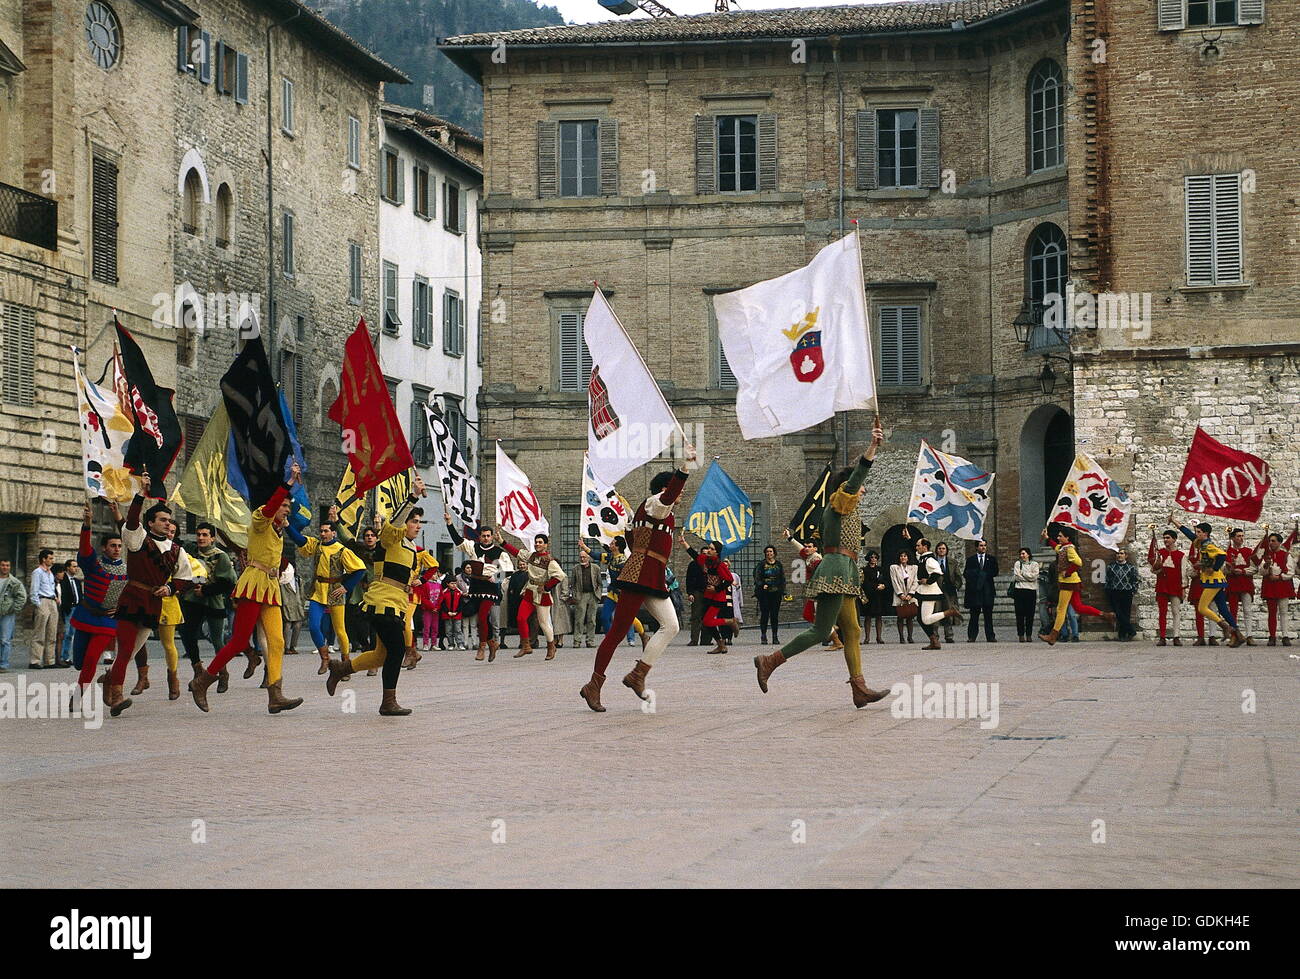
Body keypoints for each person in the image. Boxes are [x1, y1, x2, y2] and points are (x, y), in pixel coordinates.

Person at [754, 423, 890, 709]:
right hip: (836, 570)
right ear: (845, 485)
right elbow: (855, 480)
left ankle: (859, 688)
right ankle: (770, 662)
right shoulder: (840, 501)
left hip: (845, 570)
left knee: (852, 630)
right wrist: (872, 448)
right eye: (857, 484)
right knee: (820, 631)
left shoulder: (846, 506)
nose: (862, 488)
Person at [580, 444, 696, 712]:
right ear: (665, 487)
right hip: (639, 574)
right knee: (618, 631)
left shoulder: (658, 512)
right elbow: (668, 498)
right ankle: (593, 685)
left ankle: (638, 674)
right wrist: (686, 466)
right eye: (676, 490)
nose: (680, 495)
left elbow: (632, 538)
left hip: (652, 575)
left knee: (672, 626)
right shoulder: (656, 504)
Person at [191, 464, 303, 713]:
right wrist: (287, 483)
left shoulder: (278, 529)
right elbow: (271, 508)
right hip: (254, 583)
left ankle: (275, 694)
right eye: (285, 506)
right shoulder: (260, 519)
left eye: (289, 507)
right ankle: (203, 681)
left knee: (276, 641)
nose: (287, 510)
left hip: (271, 587)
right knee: (240, 639)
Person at [325, 475, 429, 715]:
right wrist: (412, 496)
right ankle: (387, 702)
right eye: (414, 521)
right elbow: (393, 525)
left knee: (382, 655)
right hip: (382, 601)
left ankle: (341, 669)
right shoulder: (391, 538)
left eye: (419, 522)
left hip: (398, 603)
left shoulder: (412, 548)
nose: (417, 525)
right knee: (397, 650)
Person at [109, 481, 198, 713]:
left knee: (131, 653)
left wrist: (170, 589)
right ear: (150, 523)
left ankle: (109, 681)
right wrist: (140, 494)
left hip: (153, 604)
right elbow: (130, 521)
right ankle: (117, 695)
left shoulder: (177, 550)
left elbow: (186, 578)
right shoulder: (138, 538)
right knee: (126, 649)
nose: (167, 523)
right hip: (133, 597)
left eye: (169, 520)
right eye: (162, 519)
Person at [69, 501, 128, 707]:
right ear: (104, 547)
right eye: (113, 545)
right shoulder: (94, 564)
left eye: (119, 546)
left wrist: (121, 610)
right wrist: (87, 524)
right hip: (86, 615)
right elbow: (84, 549)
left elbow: (132, 593)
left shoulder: (127, 571)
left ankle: (77, 698)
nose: (117, 549)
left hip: (107, 621)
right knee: (78, 661)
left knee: (92, 659)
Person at [298, 513, 367, 676]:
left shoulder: (342, 550)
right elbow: (300, 541)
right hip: (318, 590)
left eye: (326, 531)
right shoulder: (317, 546)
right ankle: (325, 657)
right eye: (321, 531)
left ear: (333, 533)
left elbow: (360, 569)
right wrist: (288, 526)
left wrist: (346, 587)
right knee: (314, 626)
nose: (322, 534)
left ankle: (345, 665)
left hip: (335, 591)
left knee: (340, 630)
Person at [1173, 514, 1245, 648]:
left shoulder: (1208, 545)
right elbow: (1189, 534)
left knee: (1202, 607)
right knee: (1223, 609)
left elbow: (1222, 555)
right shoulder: (1201, 543)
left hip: (1214, 581)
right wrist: (1175, 522)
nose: (1196, 534)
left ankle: (1224, 626)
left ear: (1205, 533)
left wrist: (1213, 567)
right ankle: (1238, 635)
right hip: (1218, 580)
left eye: (1199, 532)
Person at [177, 523, 235, 691]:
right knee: (188, 634)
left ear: (212, 538)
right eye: (199, 534)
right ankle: (198, 671)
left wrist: (207, 590)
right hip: (192, 599)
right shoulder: (190, 552)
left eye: (204, 535)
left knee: (217, 640)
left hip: (212, 601)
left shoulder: (220, 556)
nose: (201, 538)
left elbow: (227, 583)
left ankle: (223, 674)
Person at [445, 517, 510, 662]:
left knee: (482, 617)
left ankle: (482, 647)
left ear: (492, 536)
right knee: (480, 619)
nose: (486, 538)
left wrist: (497, 578)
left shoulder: (500, 553)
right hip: (475, 586)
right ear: (479, 537)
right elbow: (458, 540)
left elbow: (509, 571)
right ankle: (492, 643)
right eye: (483, 536)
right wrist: (449, 523)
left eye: (488, 536)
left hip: (490, 587)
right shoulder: (473, 547)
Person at [1039, 525, 1115, 645]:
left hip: (1068, 583)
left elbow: (1078, 562)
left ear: (1067, 537)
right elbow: (1056, 547)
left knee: (1061, 609)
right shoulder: (1064, 548)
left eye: (1060, 536)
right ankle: (1105, 615)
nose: (1058, 537)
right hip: (1072, 582)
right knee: (1078, 607)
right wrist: (1047, 538)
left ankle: (1053, 635)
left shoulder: (1069, 549)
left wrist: (1067, 573)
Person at [499, 530, 566, 660]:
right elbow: (517, 553)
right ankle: (526, 646)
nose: (537, 544)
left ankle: (551, 646)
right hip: (530, 591)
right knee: (520, 618)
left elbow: (560, 576)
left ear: (546, 544)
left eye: (540, 542)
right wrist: (502, 542)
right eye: (536, 542)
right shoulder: (531, 556)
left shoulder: (550, 561)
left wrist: (546, 586)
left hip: (542, 594)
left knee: (544, 623)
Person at [684, 534, 738, 655]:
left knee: (707, 621)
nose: (709, 550)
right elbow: (694, 555)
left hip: (718, 597)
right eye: (709, 548)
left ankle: (730, 621)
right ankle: (721, 645)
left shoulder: (720, 565)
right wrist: (684, 543)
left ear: (717, 553)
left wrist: (716, 588)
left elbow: (729, 580)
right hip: (708, 596)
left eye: (712, 549)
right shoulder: (705, 560)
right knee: (705, 621)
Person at [1253, 521, 1297, 647]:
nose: (1271, 543)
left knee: (1283, 611)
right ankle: (1272, 636)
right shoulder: (1266, 556)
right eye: (1270, 540)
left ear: (1279, 542)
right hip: (1270, 586)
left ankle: (1285, 635)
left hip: (1282, 586)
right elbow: (1261, 571)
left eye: (1273, 541)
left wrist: (1279, 577)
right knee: (1272, 612)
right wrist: (1266, 566)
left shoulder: (1286, 555)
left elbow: (1290, 571)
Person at [913, 537, 963, 650]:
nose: (917, 548)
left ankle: (949, 612)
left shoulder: (930, 560)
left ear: (925, 547)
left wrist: (928, 580)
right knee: (920, 619)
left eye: (918, 546)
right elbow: (916, 554)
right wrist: (909, 537)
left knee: (925, 619)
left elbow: (937, 573)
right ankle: (934, 641)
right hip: (923, 591)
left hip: (929, 592)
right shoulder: (922, 557)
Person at [1147, 527, 1187, 647]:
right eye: (1164, 538)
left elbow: (1183, 573)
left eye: (1168, 538)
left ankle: (1176, 636)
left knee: (1176, 612)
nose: (1165, 540)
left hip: (1175, 586)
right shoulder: (1160, 553)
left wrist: (1184, 588)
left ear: (1174, 539)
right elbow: (1153, 570)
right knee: (1162, 612)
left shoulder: (1181, 555)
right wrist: (1157, 567)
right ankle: (1162, 637)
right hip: (1162, 586)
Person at [1225, 528, 1258, 645]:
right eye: (1238, 536)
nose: (1241, 538)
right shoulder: (1226, 552)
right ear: (1233, 538)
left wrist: (1243, 572)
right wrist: (1229, 569)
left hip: (1246, 583)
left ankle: (1249, 635)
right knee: (1232, 611)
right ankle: (1234, 636)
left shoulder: (1249, 552)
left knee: (1247, 610)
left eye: (1242, 536)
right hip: (1232, 584)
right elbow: (1222, 569)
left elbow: (1254, 568)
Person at [962, 539, 998, 642]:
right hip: (975, 591)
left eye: (984, 545)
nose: (983, 547)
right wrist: (977, 575)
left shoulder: (991, 559)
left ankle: (990, 636)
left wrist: (984, 575)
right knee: (974, 615)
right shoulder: (971, 559)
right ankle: (972, 636)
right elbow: (966, 573)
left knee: (988, 615)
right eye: (981, 545)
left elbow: (995, 571)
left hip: (987, 590)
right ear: (976, 547)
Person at [29, 547, 59, 669]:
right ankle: (35, 661)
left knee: (52, 633)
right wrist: (38, 604)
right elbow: (33, 590)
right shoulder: (37, 572)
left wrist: (55, 598)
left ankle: (49, 661)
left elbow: (51, 588)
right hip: (43, 601)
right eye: (50, 558)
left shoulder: (50, 573)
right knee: (39, 633)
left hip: (52, 602)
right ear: (43, 559)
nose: (52, 560)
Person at [568, 545, 601, 648]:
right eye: (581, 557)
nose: (582, 559)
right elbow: (572, 583)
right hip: (581, 595)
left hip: (592, 595)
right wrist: (574, 595)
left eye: (584, 557)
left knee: (592, 619)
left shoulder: (596, 568)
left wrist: (598, 594)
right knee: (579, 619)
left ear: (589, 558)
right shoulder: (575, 569)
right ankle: (577, 641)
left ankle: (590, 641)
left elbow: (599, 583)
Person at [1104, 548, 1139, 641]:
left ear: (1126, 555)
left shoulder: (1131, 567)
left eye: (1121, 553)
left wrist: (1133, 590)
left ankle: (1122, 635)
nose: (1119, 555)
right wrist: (1108, 591)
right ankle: (1131, 630)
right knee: (1118, 613)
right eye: (1117, 553)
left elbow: (1135, 580)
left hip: (1127, 591)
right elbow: (1108, 579)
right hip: (1115, 591)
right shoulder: (1111, 566)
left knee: (1126, 613)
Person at [933, 541, 963, 643]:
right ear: (936, 550)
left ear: (946, 551)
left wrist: (956, 586)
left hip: (948, 591)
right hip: (935, 591)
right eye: (939, 548)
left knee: (948, 613)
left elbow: (958, 577)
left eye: (943, 549)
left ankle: (949, 636)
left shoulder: (952, 562)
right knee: (936, 613)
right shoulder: (932, 562)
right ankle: (935, 636)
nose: (941, 550)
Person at [754, 545, 785, 645]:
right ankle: (763, 635)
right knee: (765, 614)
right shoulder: (761, 564)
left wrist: (781, 589)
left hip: (776, 593)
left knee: (774, 615)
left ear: (774, 553)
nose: (769, 553)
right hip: (765, 593)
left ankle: (775, 636)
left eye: (771, 552)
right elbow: (757, 576)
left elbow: (782, 578)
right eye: (767, 552)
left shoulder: (779, 565)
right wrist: (762, 585)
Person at [0, 557, 26, 673]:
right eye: (3, 565)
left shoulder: (14, 582)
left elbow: (22, 597)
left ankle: (3, 664)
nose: (5, 567)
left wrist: (14, 608)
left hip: (7, 614)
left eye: (7, 565)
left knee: (5, 639)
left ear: (10, 567)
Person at [859, 551, 890, 644]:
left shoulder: (880, 569)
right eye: (872, 557)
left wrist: (884, 585)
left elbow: (885, 580)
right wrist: (874, 587)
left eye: (875, 557)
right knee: (867, 617)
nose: (873, 559)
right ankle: (867, 637)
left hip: (879, 596)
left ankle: (879, 637)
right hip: (869, 595)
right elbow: (865, 583)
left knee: (879, 616)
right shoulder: (864, 570)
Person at [1011, 547, 1040, 642]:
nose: (1022, 556)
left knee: (1030, 614)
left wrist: (1023, 573)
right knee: (1019, 614)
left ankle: (1029, 634)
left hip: (1031, 591)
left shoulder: (1034, 564)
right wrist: (1028, 576)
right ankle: (1020, 634)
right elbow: (1017, 577)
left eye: (1023, 553)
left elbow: (1034, 576)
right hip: (1019, 590)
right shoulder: (1017, 564)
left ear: (1028, 554)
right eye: (1020, 554)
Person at [889, 550, 918, 644]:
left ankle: (910, 636)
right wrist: (900, 594)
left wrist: (911, 594)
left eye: (905, 556)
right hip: (899, 594)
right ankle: (901, 637)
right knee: (900, 616)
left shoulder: (914, 568)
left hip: (910, 593)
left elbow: (915, 581)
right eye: (901, 556)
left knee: (910, 616)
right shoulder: (894, 568)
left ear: (908, 557)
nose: (903, 558)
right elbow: (894, 581)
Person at [57, 560, 82, 667]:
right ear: (68, 568)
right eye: (73, 566)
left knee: (73, 634)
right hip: (68, 609)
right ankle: (62, 657)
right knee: (66, 633)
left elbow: (80, 595)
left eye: (77, 567)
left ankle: (68, 657)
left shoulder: (77, 581)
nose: (76, 569)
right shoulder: (63, 580)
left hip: (77, 609)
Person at [280, 561, 306, 654]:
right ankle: (285, 647)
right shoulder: (282, 580)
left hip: (297, 605)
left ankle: (293, 646)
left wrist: (302, 604)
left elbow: (302, 593)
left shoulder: (298, 580)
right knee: (287, 625)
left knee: (298, 625)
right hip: (287, 605)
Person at [439, 570, 466, 650]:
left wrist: (456, 612)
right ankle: (451, 644)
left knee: (458, 629)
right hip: (447, 614)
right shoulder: (444, 592)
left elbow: (461, 604)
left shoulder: (459, 593)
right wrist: (448, 612)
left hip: (457, 614)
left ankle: (460, 643)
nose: (454, 585)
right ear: (447, 584)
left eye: (455, 583)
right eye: (452, 583)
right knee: (449, 630)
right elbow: (442, 604)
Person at [418, 571, 442, 651]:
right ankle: (425, 644)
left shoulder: (439, 585)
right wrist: (432, 607)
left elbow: (441, 597)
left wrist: (437, 607)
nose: (435, 576)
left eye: (436, 574)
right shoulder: (425, 584)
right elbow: (423, 598)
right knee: (427, 627)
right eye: (433, 574)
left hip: (436, 610)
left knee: (435, 627)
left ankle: (434, 644)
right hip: (428, 610)